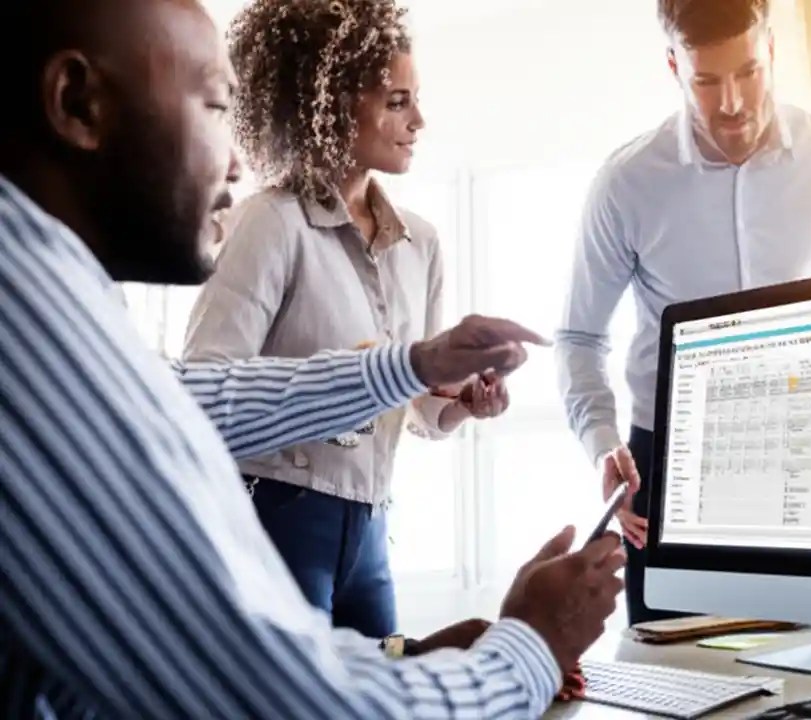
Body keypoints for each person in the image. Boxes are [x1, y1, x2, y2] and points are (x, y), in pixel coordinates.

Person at [0, 0, 623, 717]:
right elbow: (275, 699)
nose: (236, 160)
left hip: (369, 517)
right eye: (212, 106)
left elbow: (187, 401)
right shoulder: (30, 331)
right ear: (78, 102)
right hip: (294, 514)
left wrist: (421, 368)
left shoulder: (60, 308)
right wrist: (531, 649)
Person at [182, 0, 499, 639]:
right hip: (280, 517)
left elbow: (420, 411)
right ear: (328, 104)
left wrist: (460, 403)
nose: (418, 122)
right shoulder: (270, 223)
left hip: (373, 527)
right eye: (397, 101)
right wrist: (355, 375)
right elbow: (203, 390)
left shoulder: (422, 244)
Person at [556, 0, 811, 624]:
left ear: (772, 51)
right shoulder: (626, 182)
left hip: (801, 449)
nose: (731, 102)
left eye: (748, 72)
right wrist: (602, 446)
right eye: (705, 80)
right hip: (667, 466)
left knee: (807, 669)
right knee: (674, 676)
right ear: (674, 65)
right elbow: (577, 337)